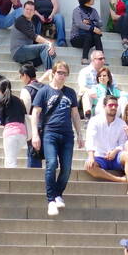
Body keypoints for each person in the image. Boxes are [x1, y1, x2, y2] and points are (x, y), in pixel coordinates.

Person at [30, 61, 86, 216]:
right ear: (53, 73)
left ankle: (58, 193)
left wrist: (80, 134)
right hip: (50, 132)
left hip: (67, 134)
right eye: (59, 72)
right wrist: (35, 134)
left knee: (67, 167)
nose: (62, 76)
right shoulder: (44, 91)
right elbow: (35, 113)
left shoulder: (70, 92)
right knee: (52, 163)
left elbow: (75, 114)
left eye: (65, 73)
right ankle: (51, 200)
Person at [9, 0, 56, 72]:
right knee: (46, 47)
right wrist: (48, 43)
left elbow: (34, 42)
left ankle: (28, 64)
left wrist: (50, 46)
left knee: (52, 53)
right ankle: (49, 71)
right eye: (27, 9)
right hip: (18, 51)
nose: (29, 11)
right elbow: (33, 36)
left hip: (27, 51)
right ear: (23, 10)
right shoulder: (20, 20)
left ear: (34, 12)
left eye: (31, 10)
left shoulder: (31, 23)